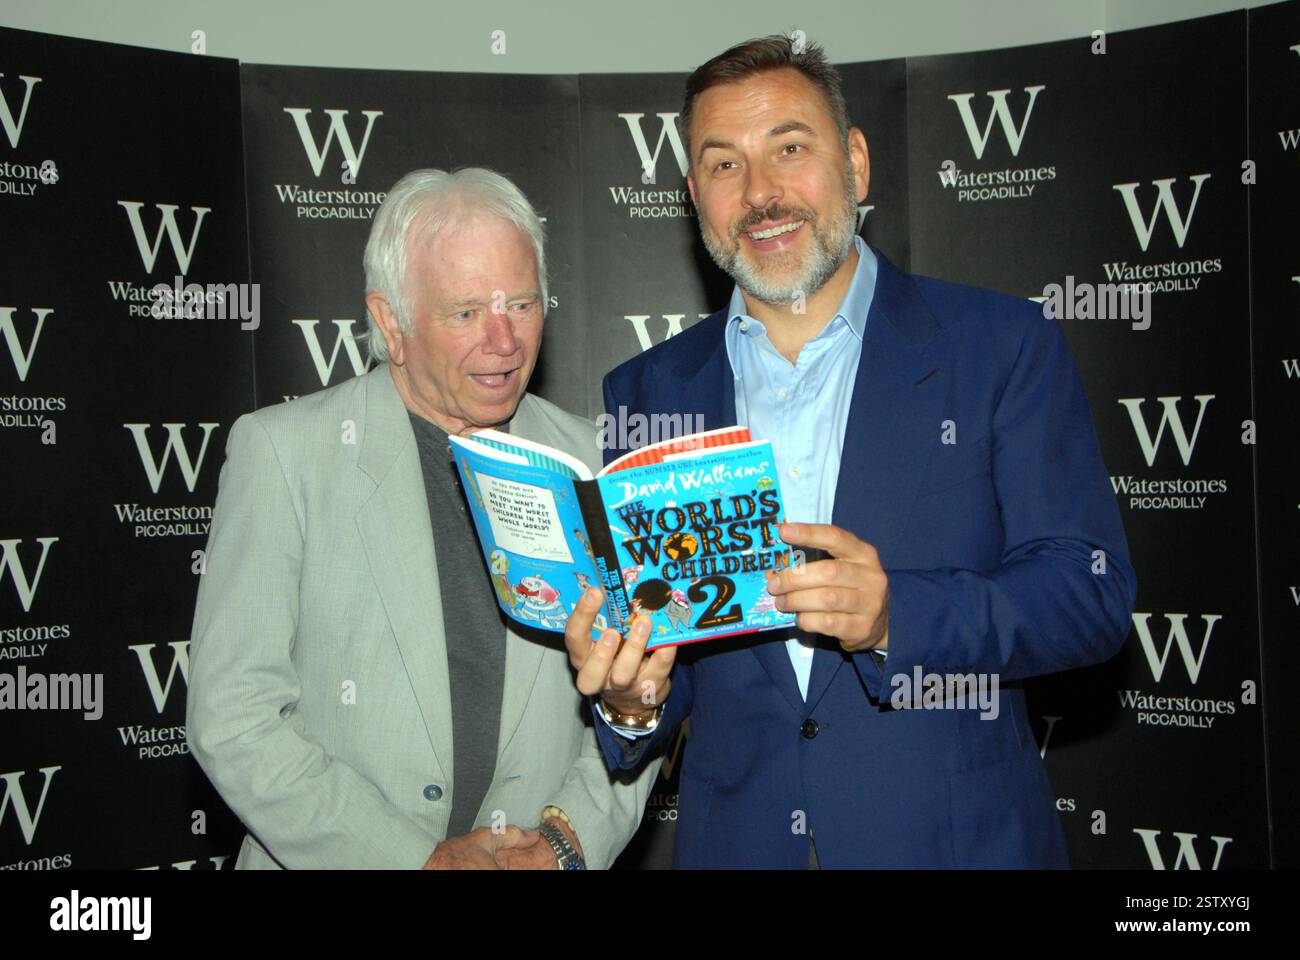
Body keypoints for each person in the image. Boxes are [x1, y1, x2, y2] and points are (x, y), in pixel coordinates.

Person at [565, 36, 1136, 868]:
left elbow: (1090, 593)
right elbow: (676, 657)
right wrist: (631, 696)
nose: (761, 194)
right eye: (723, 166)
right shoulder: (649, 393)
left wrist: (897, 615)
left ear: (857, 164)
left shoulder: (999, 346)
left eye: (790, 149)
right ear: (694, 196)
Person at [188, 168, 657, 869]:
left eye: (523, 305)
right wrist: (412, 860)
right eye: (466, 313)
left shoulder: (598, 462)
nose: (504, 340)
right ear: (390, 322)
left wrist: (566, 844)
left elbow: (637, 693)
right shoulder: (285, 454)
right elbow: (234, 715)